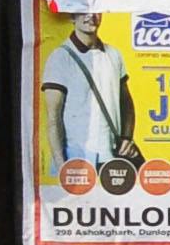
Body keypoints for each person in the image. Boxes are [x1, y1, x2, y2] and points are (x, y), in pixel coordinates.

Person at [39, 13, 134, 190]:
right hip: (74, 159)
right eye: (83, 11)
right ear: (72, 17)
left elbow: (126, 102)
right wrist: (62, 167)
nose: (91, 16)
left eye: (96, 11)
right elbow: (53, 117)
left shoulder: (114, 54)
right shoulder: (60, 57)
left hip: (110, 158)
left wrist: (127, 137)